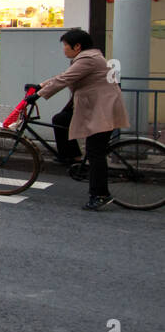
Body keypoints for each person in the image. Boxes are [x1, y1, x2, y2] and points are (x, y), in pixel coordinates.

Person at [34, 28, 129, 211]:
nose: (63, 49)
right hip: (93, 105)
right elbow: (62, 76)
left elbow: (65, 79)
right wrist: (39, 86)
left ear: (77, 46)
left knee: (95, 152)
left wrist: (37, 95)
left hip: (102, 110)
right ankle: (72, 157)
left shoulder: (88, 59)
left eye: (65, 46)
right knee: (61, 119)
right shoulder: (86, 57)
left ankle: (100, 195)